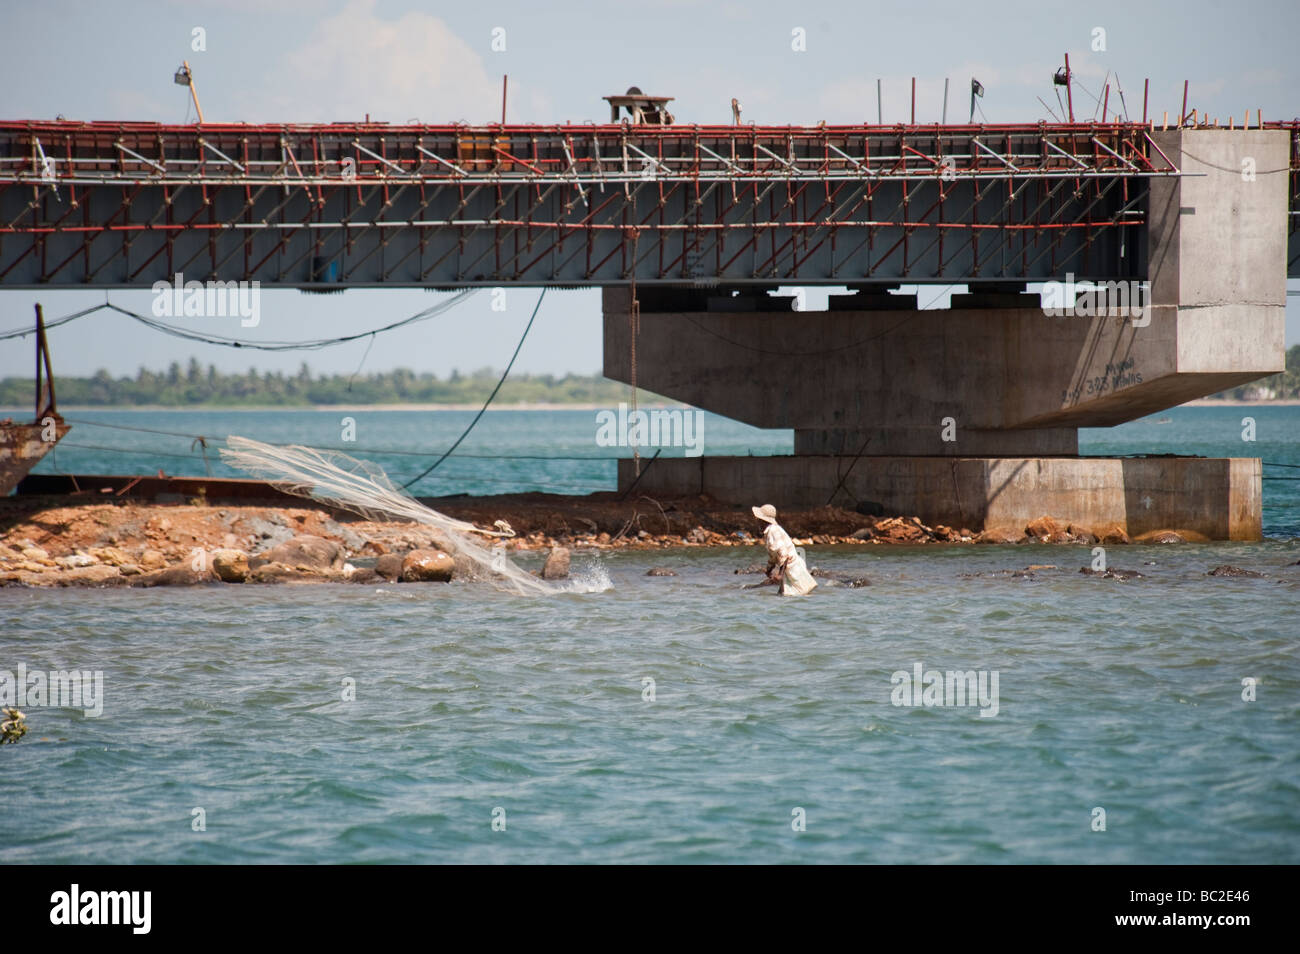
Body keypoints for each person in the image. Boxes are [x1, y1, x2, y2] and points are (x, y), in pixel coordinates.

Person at [752, 504, 817, 596]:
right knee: (788, 594)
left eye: (759, 519)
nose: (757, 521)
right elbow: (774, 554)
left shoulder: (774, 531)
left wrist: (780, 574)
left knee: (795, 594)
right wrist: (769, 568)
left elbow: (783, 553)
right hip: (788, 567)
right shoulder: (769, 532)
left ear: (763, 520)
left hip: (792, 567)